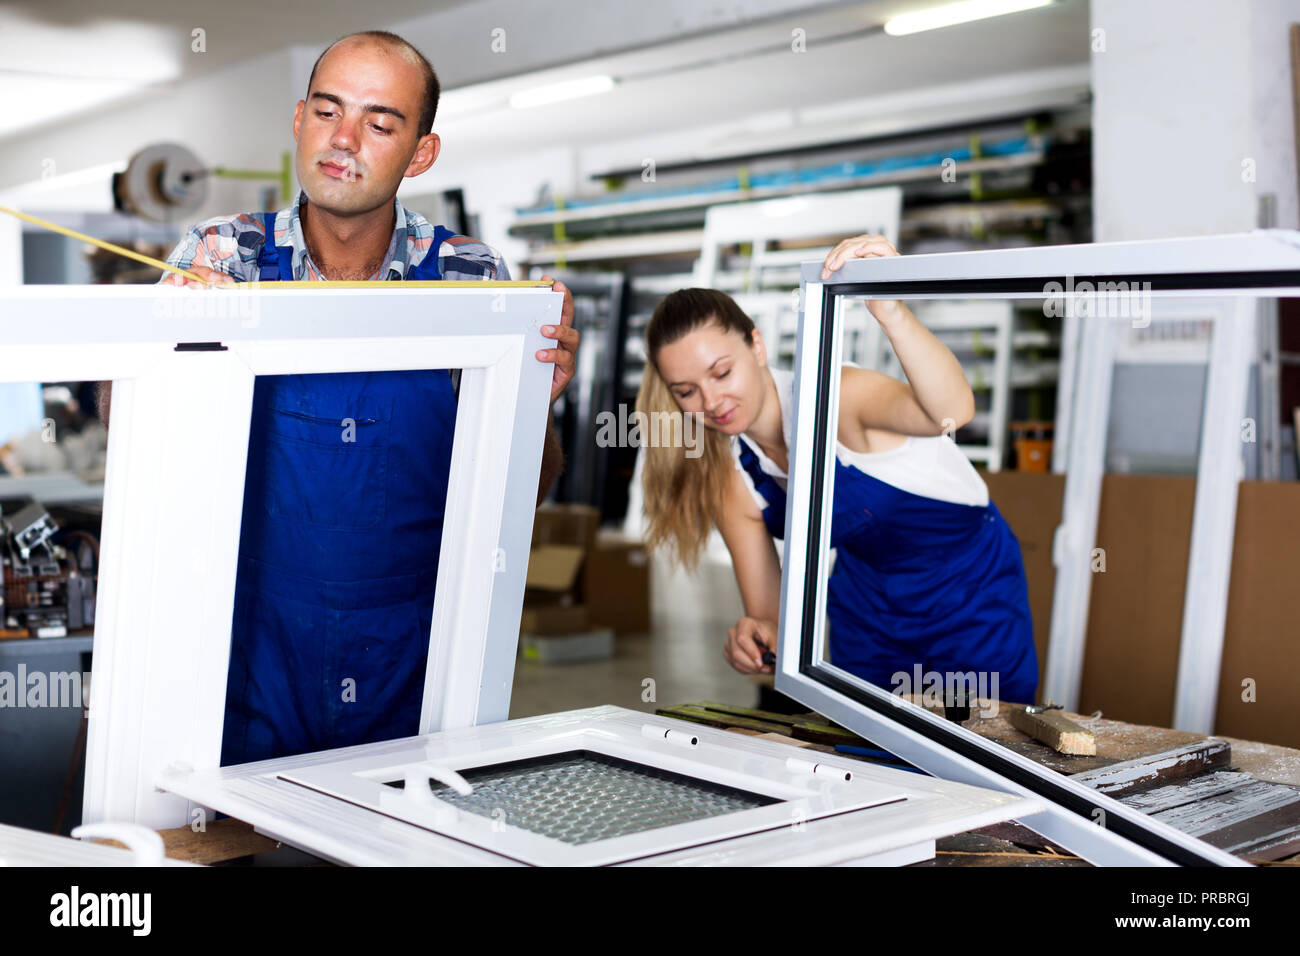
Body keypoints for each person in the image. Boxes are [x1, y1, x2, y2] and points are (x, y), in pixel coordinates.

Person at [99, 30, 579, 763]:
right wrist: (149, 355)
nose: (344, 139)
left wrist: (535, 403)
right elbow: (131, 441)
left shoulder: (469, 276)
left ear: (420, 152)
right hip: (250, 640)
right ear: (298, 120)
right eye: (327, 112)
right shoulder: (224, 255)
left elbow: (525, 493)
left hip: (415, 651)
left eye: (380, 123)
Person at [636, 235, 1038, 705]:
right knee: (863, 752)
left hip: (969, 591)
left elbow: (952, 412)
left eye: (722, 373)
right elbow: (771, 618)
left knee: (981, 749)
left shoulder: (836, 395)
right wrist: (755, 638)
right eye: (686, 391)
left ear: (757, 346)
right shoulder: (733, 477)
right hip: (865, 606)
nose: (711, 402)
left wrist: (892, 312)